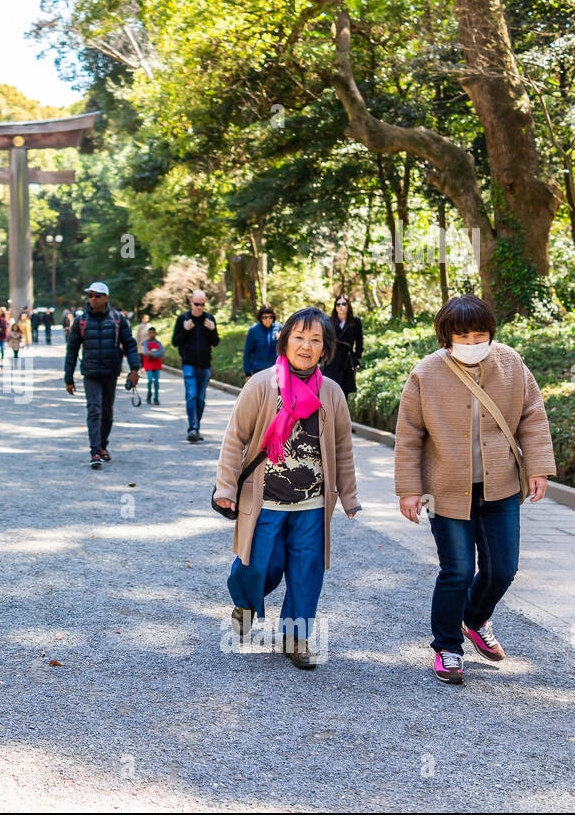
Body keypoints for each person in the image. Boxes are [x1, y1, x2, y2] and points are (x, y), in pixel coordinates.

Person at [394, 294, 556, 685]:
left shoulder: (510, 363)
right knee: (458, 570)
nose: (471, 343)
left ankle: (475, 617)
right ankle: (447, 647)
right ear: (446, 337)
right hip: (446, 490)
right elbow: (409, 435)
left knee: (503, 568)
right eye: (462, 336)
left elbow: (532, 416)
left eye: (479, 335)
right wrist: (408, 489)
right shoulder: (425, 373)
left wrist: (539, 469)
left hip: (500, 487)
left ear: (491, 334)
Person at [214, 307, 360, 669]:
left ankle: (296, 637)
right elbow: (235, 439)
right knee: (258, 565)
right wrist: (225, 488)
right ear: (285, 341)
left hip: (311, 503)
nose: (306, 346)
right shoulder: (261, 385)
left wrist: (350, 495)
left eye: (315, 340)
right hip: (265, 500)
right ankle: (247, 603)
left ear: (325, 348)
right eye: (299, 337)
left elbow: (342, 448)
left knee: (306, 571)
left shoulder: (332, 393)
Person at [64, 281, 140, 468]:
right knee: (94, 409)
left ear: (106, 297)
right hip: (90, 374)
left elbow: (129, 344)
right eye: (90, 295)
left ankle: (103, 445)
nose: (93, 299)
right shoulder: (81, 321)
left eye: (97, 296)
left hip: (110, 373)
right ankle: (95, 450)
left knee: (107, 413)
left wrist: (134, 369)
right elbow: (72, 350)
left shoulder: (117, 320)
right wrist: (69, 377)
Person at [172, 290, 220, 442]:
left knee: (201, 398)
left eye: (203, 304)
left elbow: (216, 342)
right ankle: (192, 428)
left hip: (205, 365)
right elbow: (175, 341)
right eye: (197, 304)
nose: (200, 307)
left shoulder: (209, 319)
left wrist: (212, 330)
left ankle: (196, 427)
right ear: (191, 302)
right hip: (189, 364)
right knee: (191, 395)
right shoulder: (183, 319)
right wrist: (185, 330)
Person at [321, 295, 363, 396]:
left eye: (344, 304)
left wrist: (357, 358)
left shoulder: (355, 322)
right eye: (338, 304)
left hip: (347, 360)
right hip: (331, 359)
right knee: (328, 389)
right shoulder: (329, 321)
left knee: (344, 392)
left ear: (348, 306)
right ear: (335, 307)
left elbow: (359, 342)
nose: (341, 306)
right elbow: (324, 340)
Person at [242, 305, 281, 379]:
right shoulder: (253, 330)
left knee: (275, 391)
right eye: (265, 317)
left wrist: (281, 340)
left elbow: (287, 349)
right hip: (259, 370)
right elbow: (247, 353)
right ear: (260, 318)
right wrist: (247, 373)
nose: (268, 320)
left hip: (276, 370)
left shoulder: (279, 328)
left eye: (271, 317)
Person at [141, 328, 165, 404]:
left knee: (156, 382)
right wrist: (156, 354)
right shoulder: (145, 343)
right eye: (150, 333)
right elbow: (145, 353)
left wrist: (151, 354)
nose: (152, 334)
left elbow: (161, 352)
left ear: (155, 333)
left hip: (157, 365)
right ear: (148, 334)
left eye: (153, 333)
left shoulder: (159, 343)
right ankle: (149, 396)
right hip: (148, 365)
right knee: (150, 380)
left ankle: (156, 398)